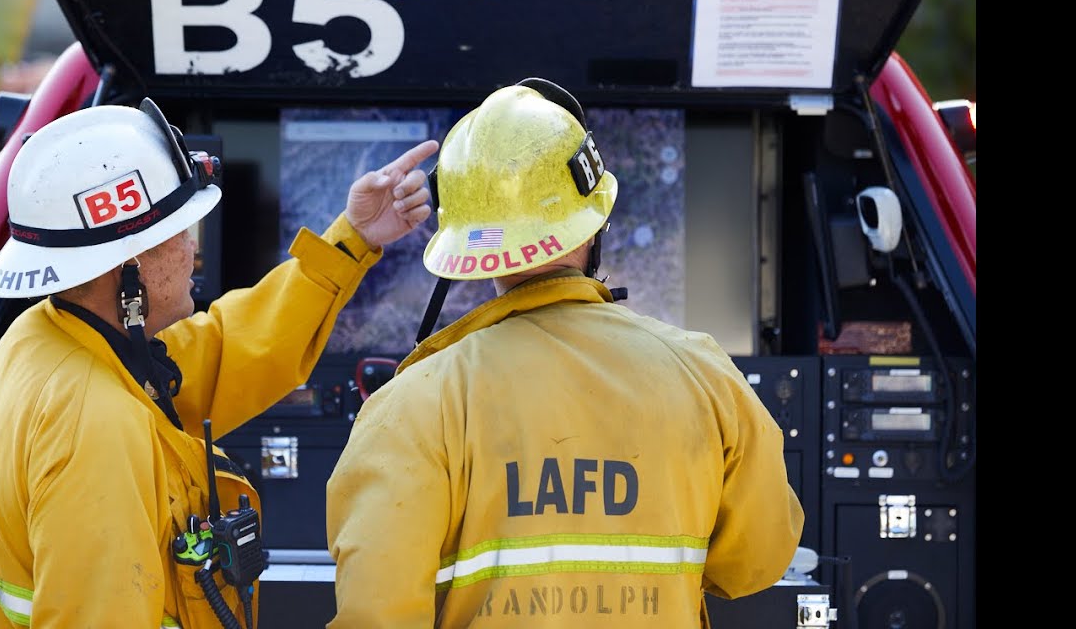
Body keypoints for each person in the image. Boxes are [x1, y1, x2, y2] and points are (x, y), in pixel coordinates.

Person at [325, 78, 804, 628]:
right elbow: (754, 564)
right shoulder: (704, 374)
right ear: (596, 219)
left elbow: (375, 613)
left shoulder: (411, 405)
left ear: (467, 243)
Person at [0, 97, 437, 629]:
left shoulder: (45, 338)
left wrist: (352, 239)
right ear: (129, 271)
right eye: (177, 235)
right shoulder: (96, 429)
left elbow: (230, 347)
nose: (194, 251)